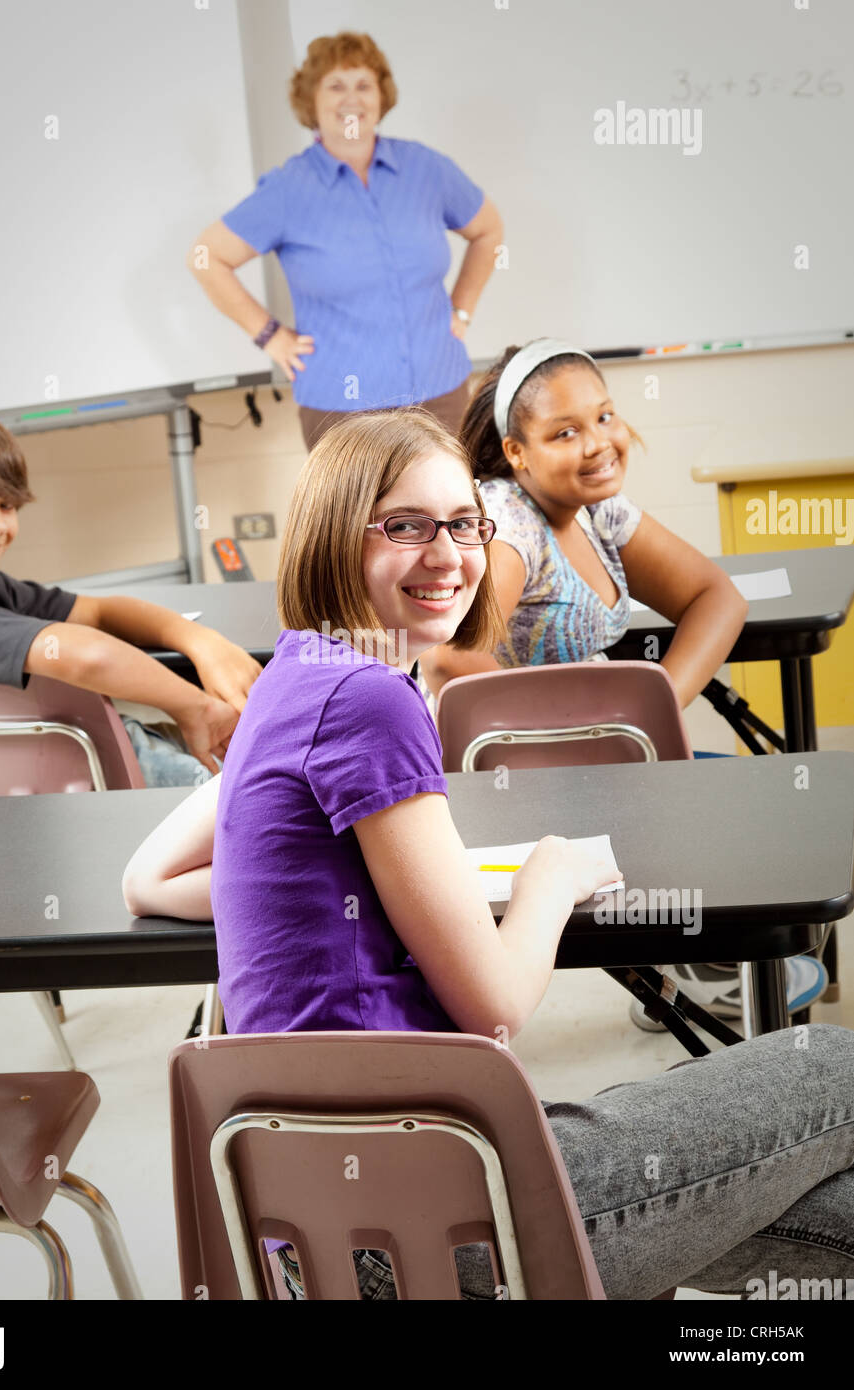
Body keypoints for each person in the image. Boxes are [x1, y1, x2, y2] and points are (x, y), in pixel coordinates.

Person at [122, 409, 854, 1301]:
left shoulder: (292, 674)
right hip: (439, 1222)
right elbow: (493, 1009)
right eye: (404, 526)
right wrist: (552, 874)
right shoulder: (368, 701)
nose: (449, 555)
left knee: (813, 1210)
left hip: (315, 1230)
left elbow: (147, 879)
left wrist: (313, 896)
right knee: (831, 1069)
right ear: (330, 537)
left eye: (464, 523)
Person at [418, 339, 827, 1024]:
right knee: (756, 809)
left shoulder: (597, 510)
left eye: (604, 417)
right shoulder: (508, 524)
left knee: (767, 801)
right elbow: (452, 658)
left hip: (609, 765)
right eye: (564, 432)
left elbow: (715, 597)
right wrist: (558, 748)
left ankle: (688, 966)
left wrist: (654, 708)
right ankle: (696, 966)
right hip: (538, 789)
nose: (598, 443)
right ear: (516, 452)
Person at [0, 404, 263, 789]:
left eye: (7, 505)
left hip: (53, 779)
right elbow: (87, 655)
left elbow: (99, 613)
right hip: (50, 791)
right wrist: (196, 708)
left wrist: (198, 640)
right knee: (258, 786)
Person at [189, 31, 502, 450]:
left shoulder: (426, 170)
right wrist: (269, 335)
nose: (351, 98)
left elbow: (488, 230)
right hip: (340, 412)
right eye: (336, 85)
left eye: (363, 85)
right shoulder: (288, 190)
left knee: (446, 515)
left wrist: (461, 310)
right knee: (355, 519)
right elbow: (206, 257)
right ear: (310, 101)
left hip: (440, 395)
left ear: (381, 96)